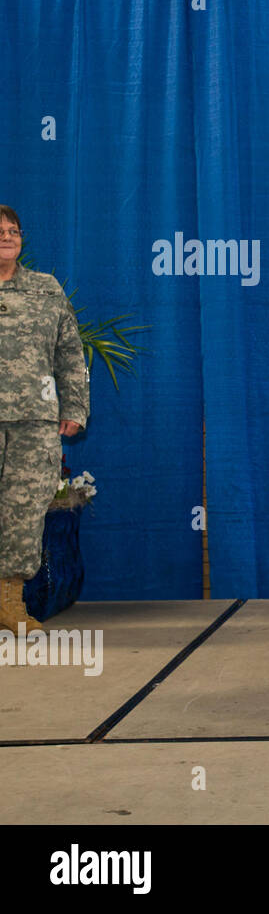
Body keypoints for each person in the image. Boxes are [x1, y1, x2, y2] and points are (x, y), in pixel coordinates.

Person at [0, 206, 89, 636]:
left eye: (13, 230)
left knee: (24, 514)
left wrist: (74, 406)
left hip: (33, 424)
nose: (7, 237)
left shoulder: (45, 290)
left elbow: (69, 352)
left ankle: (10, 605)